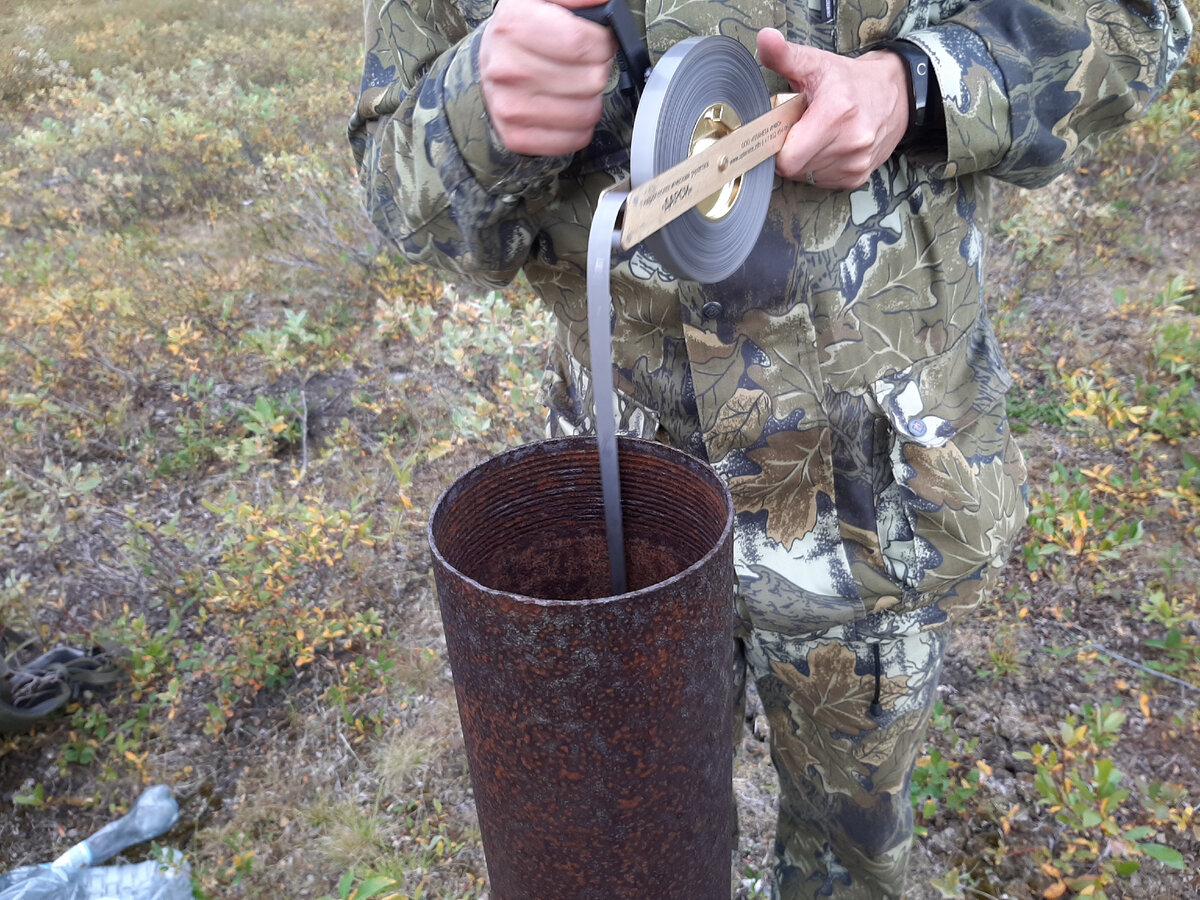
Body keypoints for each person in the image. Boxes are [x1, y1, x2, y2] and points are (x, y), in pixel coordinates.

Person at [349, 0, 1192, 896]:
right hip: (620, 529)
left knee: (849, 861)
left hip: (875, 517)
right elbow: (397, 189)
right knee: (627, 857)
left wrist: (915, 85)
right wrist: (478, 110)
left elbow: (1141, 21)